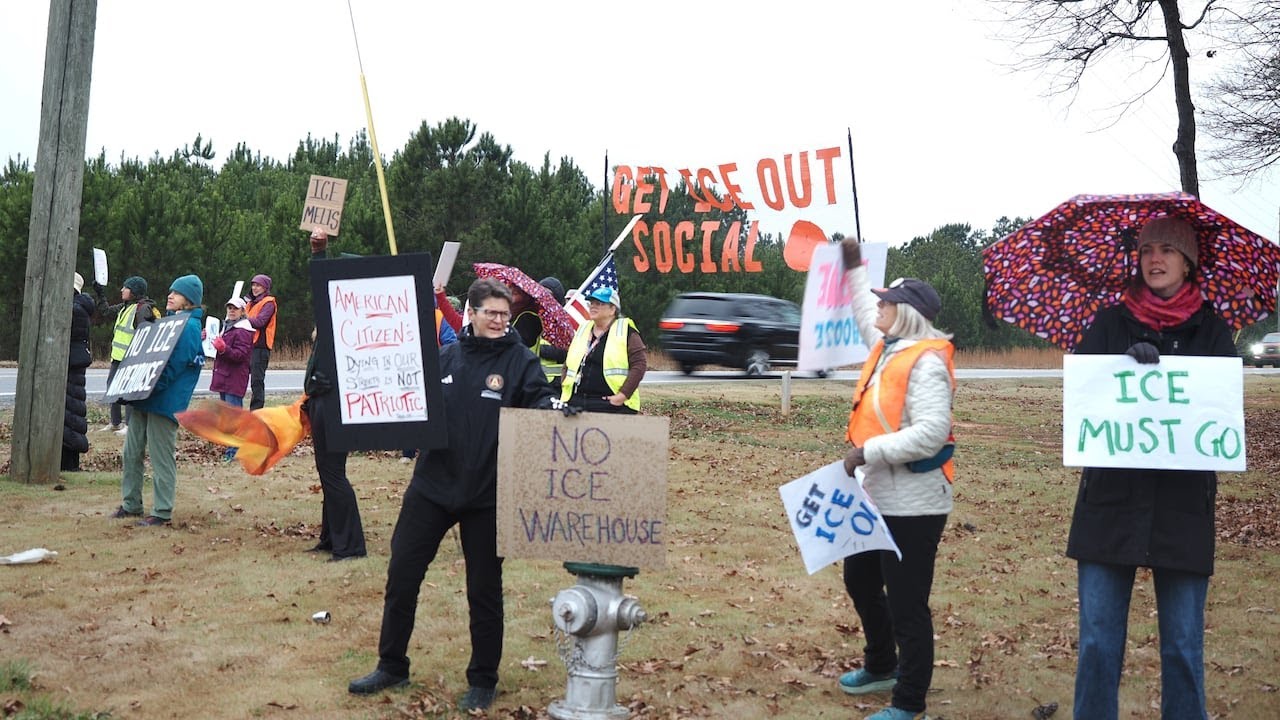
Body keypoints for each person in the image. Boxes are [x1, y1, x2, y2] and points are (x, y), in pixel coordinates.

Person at [348, 278, 561, 711]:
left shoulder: (520, 361)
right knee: (403, 574)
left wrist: (558, 411)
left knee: (484, 589)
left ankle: (483, 678)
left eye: (505, 314)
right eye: (492, 313)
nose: (500, 321)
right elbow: (406, 400)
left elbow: (538, 402)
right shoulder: (445, 356)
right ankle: (392, 665)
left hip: (487, 491)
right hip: (431, 487)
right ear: (472, 312)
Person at [1067, 216, 1235, 720]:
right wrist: (1120, 363)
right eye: (1146, 251)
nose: (1154, 260)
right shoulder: (1108, 322)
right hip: (1109, 504)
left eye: (1166, 250)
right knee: (1098, 641)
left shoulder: (1214, 329)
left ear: (1188, 262)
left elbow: (1219, 411)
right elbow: (1084, 397)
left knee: (1183, 645)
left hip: (1183, 509)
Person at [836, 239, 955, 720]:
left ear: (906, 314)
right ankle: (882, 665)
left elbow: (929, 434)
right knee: (861, 581)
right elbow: (864, 306)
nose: (879, 308)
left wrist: (868, 451)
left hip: (916, 503)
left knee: (908, 603)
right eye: (882, 300)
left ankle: (909, 701)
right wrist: (850, 265)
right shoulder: (887, 346)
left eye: (889, 303)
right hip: (875, 495)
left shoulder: (926, 362)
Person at [111, 274, 205, 526]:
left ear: (190, 300)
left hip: (164, 401)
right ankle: (131, 504)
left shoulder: (190, 328)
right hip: (144, 397)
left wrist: (147, 386)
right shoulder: (168, 321)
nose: (170, 295)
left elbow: (173, 367)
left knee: (161, 456)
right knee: (131, 452)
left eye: (177, 292)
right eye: (170, 291)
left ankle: (162, 511)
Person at [301, 228, 368, 562]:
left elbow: (321, 285)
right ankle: (331, 537)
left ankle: (351, 546)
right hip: (323, 400)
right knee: (328, 473)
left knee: (333, 475)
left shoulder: (351, 319)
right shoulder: (338, 316)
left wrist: (319, 253)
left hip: (336, 402)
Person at [559, 286, 646, 414]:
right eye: (592, 303)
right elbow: (568, 364)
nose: (593, 306)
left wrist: (621, 397)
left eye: (599, 303)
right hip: (576, 402)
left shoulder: (626, 331)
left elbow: (639, 365)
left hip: (610, 405)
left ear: (612, 309)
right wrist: (566, 391)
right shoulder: (582, 329)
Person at [93, 275, 160, 434]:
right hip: (118, 357)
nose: (122, 290)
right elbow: (105, 311)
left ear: (135, 292)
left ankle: (130, 426)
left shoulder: (142, 309)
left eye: (126, 287)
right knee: (112, 389)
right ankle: (115, 423)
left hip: (132, 359)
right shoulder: (126, 306)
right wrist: (100, 293)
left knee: (130, 392)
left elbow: (147, 334)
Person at [209, 296, 254, 462]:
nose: (231, 310)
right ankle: (231, 450)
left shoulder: (243, 330)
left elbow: (240, 355)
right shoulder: (227, 327)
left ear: (242, 311)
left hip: (234, 379)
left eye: (235, 308)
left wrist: (223, 349)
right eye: (229, 308)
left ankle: (234, 453)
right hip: (224, 377)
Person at [63, 273, 97, 472]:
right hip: (74, 362)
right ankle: (67, 458)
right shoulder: (80, 306)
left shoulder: (74, 308)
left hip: (71, 364)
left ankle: (69, 461)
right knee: (71, 412)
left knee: (71, 413)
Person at [244, 272, 277, 411]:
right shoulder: (250, 303)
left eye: (258, 285)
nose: (254, 288)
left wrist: (242, 319)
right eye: (253, 285)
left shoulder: (269, 302)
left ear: (265, 287)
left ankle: (256, 412)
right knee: (241, 378)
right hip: (248, 345)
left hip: (261, 347)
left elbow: (260, 322)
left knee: (257, 381)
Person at [534, 276, 568, 388]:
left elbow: (565, 351)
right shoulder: (530, 316)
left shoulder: (563, 322)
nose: (543, 297)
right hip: (530, 380)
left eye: (548, 294)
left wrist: (539, 350)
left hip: (555, 384)